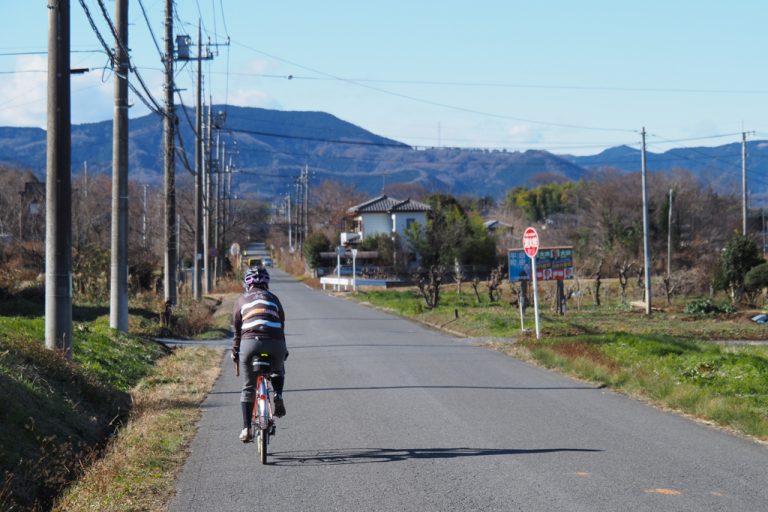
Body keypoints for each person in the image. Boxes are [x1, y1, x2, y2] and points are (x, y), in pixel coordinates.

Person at [231, 266, 288, 442]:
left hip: (250, 344)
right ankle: (277, 395)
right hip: (275, 342)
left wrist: (235, 352)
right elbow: (281, 325)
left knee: (249, 387)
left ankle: (246, 428)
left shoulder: (241, 300)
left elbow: (237, 332)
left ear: (247, 284)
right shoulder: (274, 299)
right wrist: (283, 351)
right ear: (266, 284)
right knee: (278, 369)